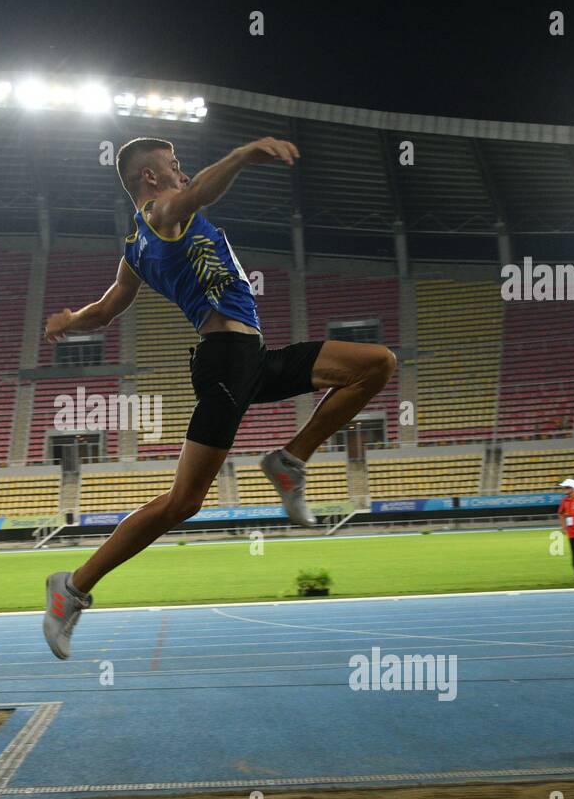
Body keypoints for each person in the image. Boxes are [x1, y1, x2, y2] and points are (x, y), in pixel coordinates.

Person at [40, 136, 397, 658]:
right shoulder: (161, 212)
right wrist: (244, 155)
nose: (182, 173)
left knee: (375, 365)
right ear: (150, 179)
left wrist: (70, 321)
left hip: (252, 358)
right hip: (225, 360)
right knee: (183, 502)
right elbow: (197, 195)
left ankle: (290, 459)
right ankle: (70, 588)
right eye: (174, 166)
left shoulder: (133, 249)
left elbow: (107, 307)